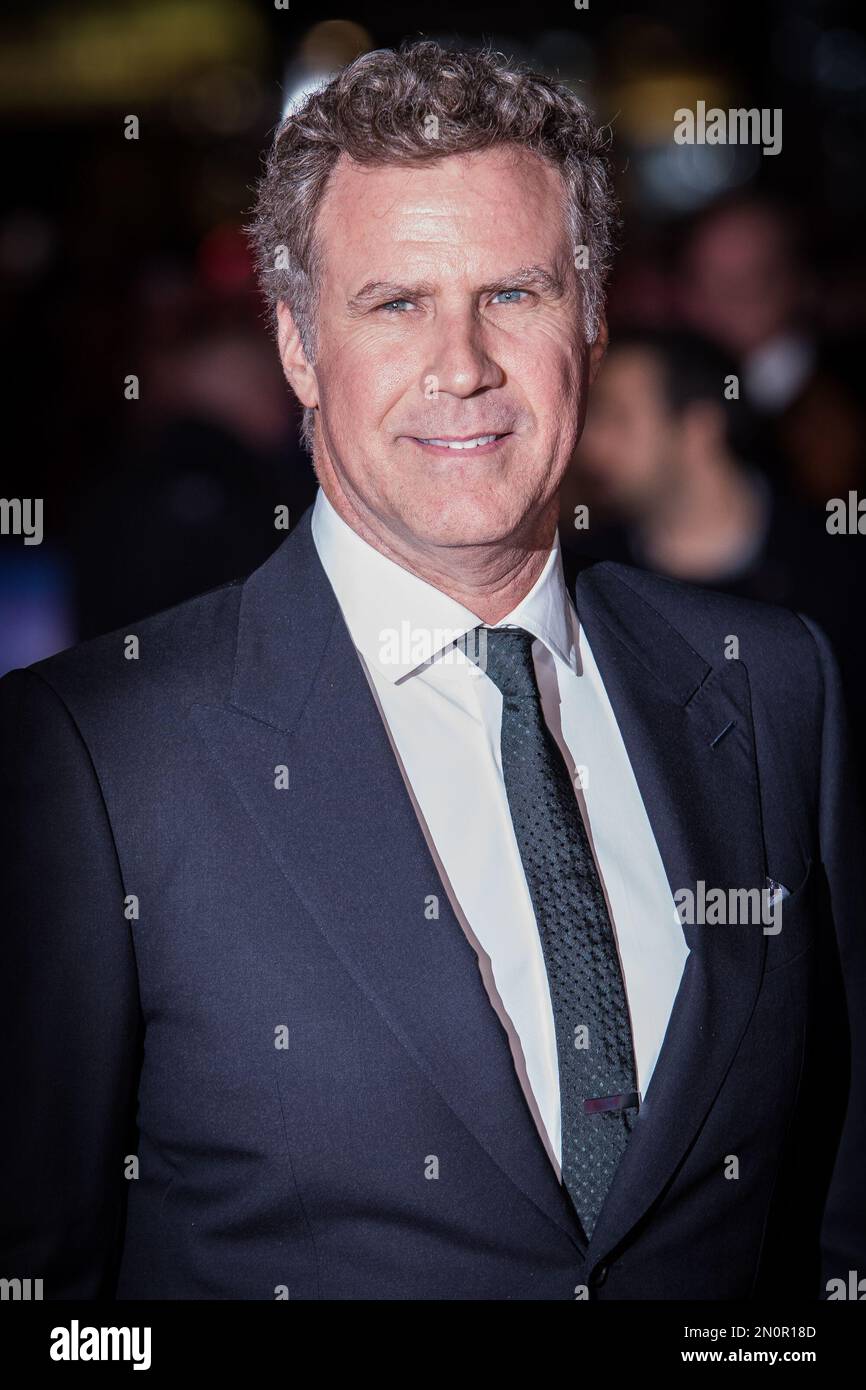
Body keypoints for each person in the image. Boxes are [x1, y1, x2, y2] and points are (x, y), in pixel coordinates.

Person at [1, 40, 864, 1302]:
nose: (461, 366)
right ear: (297, 346)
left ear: (595, 319)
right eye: (396, 302)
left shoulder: (772, 686)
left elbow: (833, 1215)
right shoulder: (93, 753)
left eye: (513, 293)